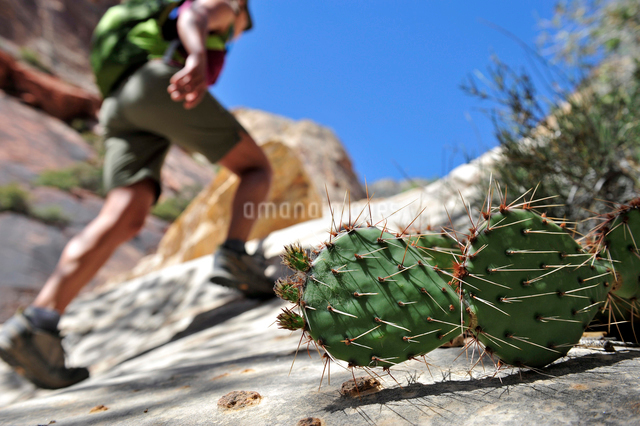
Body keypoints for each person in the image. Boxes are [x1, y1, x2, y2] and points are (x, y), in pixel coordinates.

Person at [0, 0, 273, 389]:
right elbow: (195, 15)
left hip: (117, 103)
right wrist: (197, 54)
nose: (232, 38)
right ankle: (234, 256)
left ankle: (37, 325)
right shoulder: (230, 6)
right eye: (237, 32)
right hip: (154, 82)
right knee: (256, 168)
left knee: (124, 216)